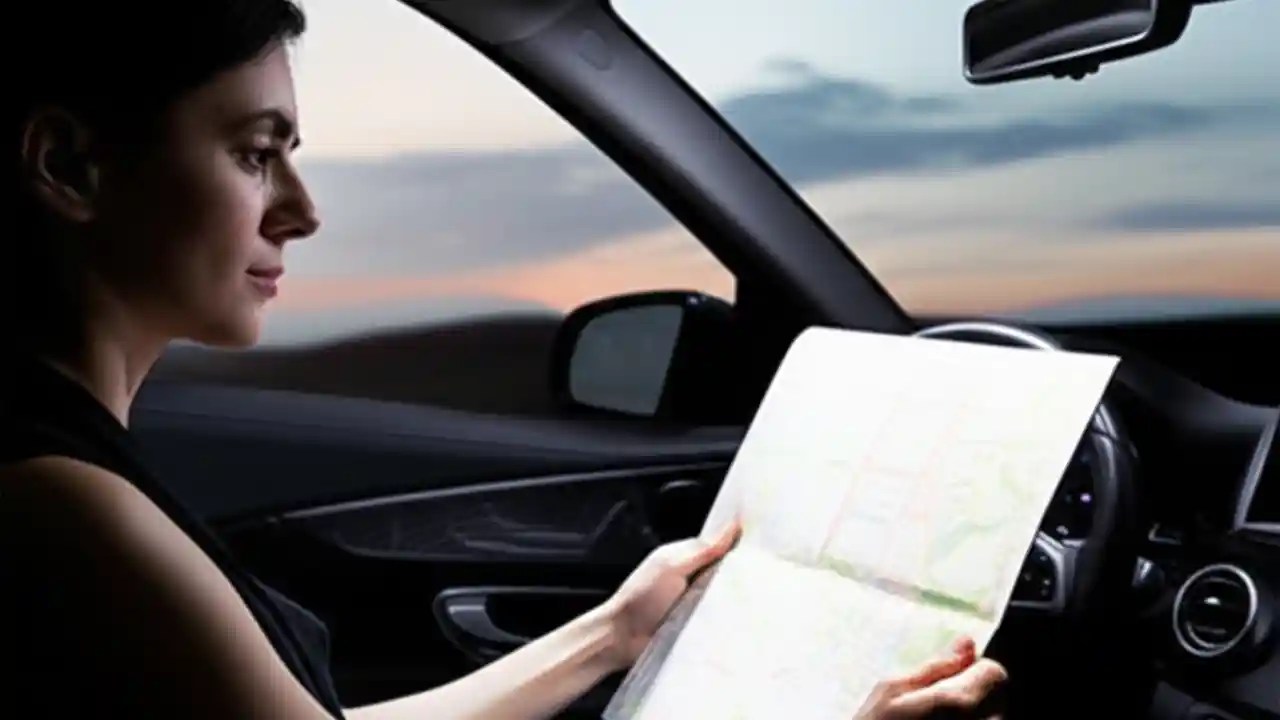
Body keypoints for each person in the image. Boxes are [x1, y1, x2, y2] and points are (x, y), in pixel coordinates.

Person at [0, 1, 1008, 717]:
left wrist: (614, 632)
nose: (302, 211)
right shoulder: (57, 502)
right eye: (257, 153)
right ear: (69, 167)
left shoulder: (68, 458)